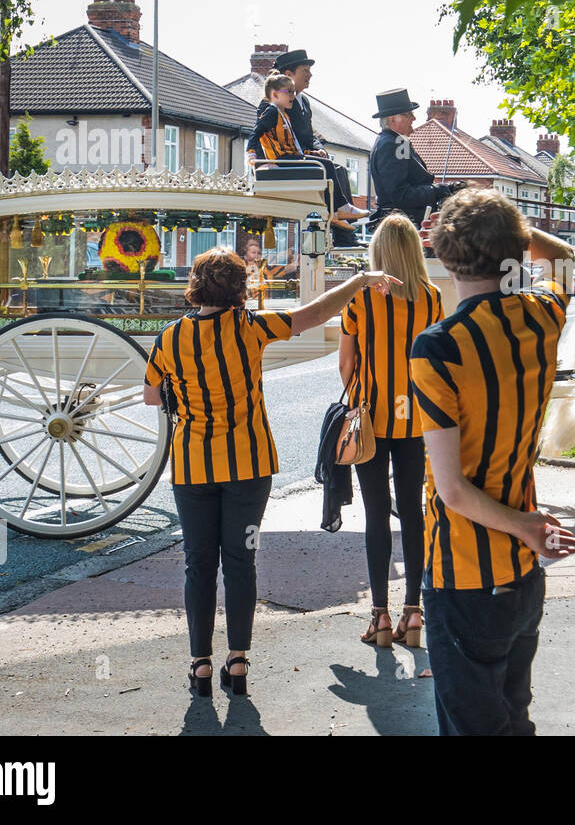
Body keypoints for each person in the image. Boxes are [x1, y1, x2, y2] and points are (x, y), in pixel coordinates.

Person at [142, 247, 396, 697]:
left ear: (196, 286)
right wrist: (358, 281)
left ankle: (200, 665)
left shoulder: (167, 339)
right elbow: (313, 315)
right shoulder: (252, 328)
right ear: (241, 290)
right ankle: (238, 663)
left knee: (198, 564)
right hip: (249, 465)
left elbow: (150, 397)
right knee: (241, 561)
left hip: (192, 468)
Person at [410, 188, 575, 735]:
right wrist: (514, 233)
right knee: (514, 718)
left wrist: (527, 526)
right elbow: (561, 261)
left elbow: (452, 489)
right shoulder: (542, 316)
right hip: (523, 574)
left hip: (465, 573)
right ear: (516, 249)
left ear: (441, 253)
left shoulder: (438, 347)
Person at [338, 213, 444, 648]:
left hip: (371, 415)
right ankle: (413, 613)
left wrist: (360, 393)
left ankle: (379, 616)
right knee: (415, 513)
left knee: (376, 513)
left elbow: (346, 363)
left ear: (378, 253)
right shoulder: (433, 298)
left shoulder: (361, 299)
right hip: (415, 416)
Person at [248, 71, 367, 246]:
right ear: (274, 94)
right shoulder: (271, 112)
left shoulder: (283, 114)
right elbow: (256, 132)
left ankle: (336, 212)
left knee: (325, 164)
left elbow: (293, 145)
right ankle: (340, 209)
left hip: (290, 157)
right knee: (324, 166)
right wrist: (252, 155)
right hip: (282, 160)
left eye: (293, 92)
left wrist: (311, 154)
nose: (292, 96)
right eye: (288, 92)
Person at [368, 89, 465, 228]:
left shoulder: (392, 141)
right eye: (408, 114)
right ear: (392, 119)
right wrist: (440, 189)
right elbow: (400, 194)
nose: (413, 118)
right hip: (404, 226)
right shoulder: (394, 143)